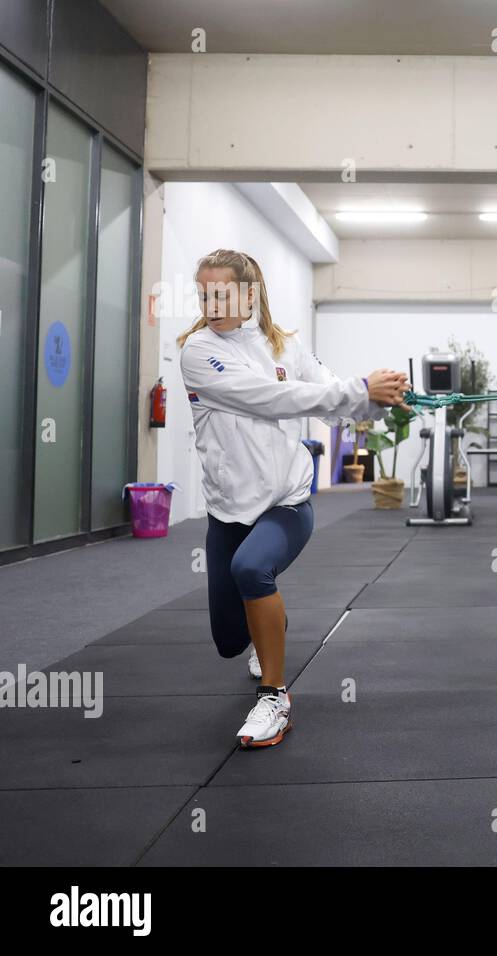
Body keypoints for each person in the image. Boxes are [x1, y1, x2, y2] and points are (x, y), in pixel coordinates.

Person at [177, 249, 409, 746]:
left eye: (221, 292)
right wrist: (357, 389)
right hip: (228, 511)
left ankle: (274, 699)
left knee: (250, 570)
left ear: (250, 293)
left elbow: (332, 404)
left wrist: (378, 402)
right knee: (228, 641)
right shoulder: (197, 352)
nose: (211, 303)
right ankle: (267, 630)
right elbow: (269, 398)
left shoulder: (288, 347)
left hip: (287, 500)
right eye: (203, 294)